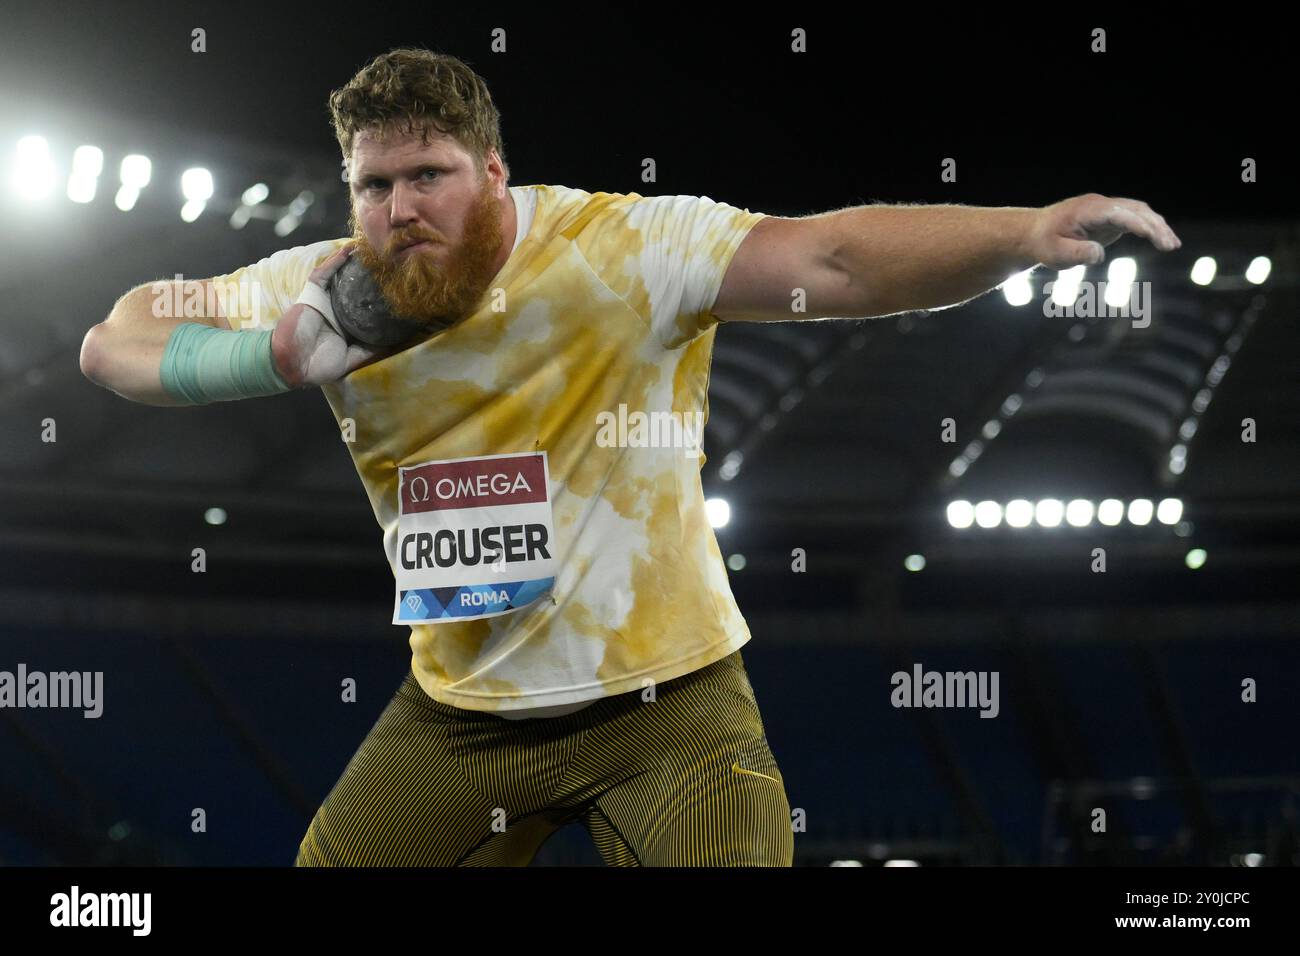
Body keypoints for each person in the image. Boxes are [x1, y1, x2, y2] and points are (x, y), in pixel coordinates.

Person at [79, 47, 1180, 867]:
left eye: (429, 174)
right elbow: (112, 338)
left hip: (669, 709)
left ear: (494, 171)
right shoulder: (319, 287)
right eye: (374, 185)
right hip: (458, 715)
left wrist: (1022, 231)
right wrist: (267, 354)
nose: (400, 210)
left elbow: (835, 257)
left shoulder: (624, 249)